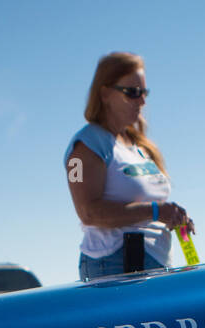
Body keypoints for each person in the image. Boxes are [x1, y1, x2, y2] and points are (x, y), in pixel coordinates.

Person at [65, 51, 193, 279]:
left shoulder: (140, 147)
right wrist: (157, 211)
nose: (142, 101)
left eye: (144, 92)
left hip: (154, 263)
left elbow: (154, 209)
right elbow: (88, 213)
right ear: (105, 94)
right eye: (132, 92)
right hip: (115, 265)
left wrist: (172, 216)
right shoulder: (86, 145)